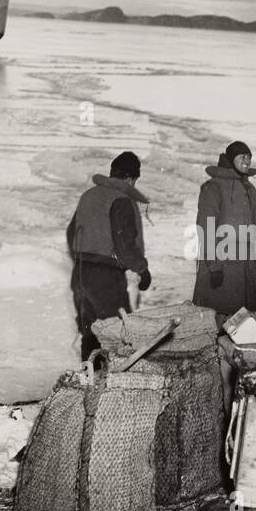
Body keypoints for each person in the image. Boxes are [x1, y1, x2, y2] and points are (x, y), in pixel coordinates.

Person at [67, 151, 152, 360]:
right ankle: (114, 385)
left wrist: (84, 257)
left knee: (90, 331)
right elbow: (125, 245)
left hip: (80, 273)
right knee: (117, 331)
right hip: (106, 279)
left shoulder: (89, 195)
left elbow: (71, 233)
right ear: (132, 178)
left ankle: (90, 379)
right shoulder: (121, 200)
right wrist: (142, 270)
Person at [192, 140, 256, 315]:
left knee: (243, 320)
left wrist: (255, 263)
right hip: (222, 265)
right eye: (243, 156)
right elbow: (206, 228)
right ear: (231, 159)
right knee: (218, 317)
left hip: (245, 265)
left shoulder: (248, 189)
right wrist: (214, 266)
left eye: (249, 157)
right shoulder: (213, 188)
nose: (247, 160)